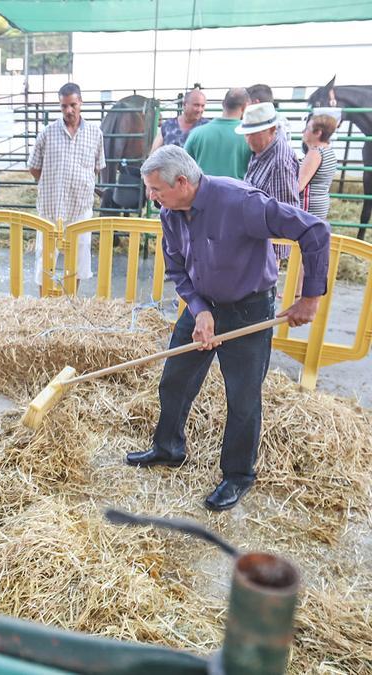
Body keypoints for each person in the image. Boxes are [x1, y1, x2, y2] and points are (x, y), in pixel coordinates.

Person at [129, 146, 330, 511]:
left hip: (248, 309)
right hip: (204, 304)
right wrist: (199, 309)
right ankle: (168, 448)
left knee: (242, 396)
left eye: (156, 189)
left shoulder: (241, 202)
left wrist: (311, 296)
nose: (151, 196)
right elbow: (176, 267)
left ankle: (238, 475)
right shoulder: (170, 213)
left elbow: (314, 230)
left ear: (182, 182)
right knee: (175, 380)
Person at [28, 82, 104, 284]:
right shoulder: (47, 133)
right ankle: (44, 304)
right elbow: (34, 167)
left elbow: (97, 167)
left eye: (73, 105)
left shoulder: (95, 134)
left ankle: (73, 302)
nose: (69, 110)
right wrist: (51, 181)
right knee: (45, 256)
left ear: (80, 102)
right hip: (51, 206)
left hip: (80, 206)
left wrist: (80, 182)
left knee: (79, 257)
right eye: (64, 106)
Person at [239, 102, 300, 263]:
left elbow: (286, 209)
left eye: (253, 133)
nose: (248, 139)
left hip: (266, 247)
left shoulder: (280, 162)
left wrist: (273, 256)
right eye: (246, 134)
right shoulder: (262, 150)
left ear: (272, 130)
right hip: (255, 239)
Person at [184, 88, 252, 179]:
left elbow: (183, 167)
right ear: (245, 107)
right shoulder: (250, 134)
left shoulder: (196, 134)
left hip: (203, 191)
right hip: (237, 191)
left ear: (223, 104)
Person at [299, 113, 339, 222]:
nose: (303, 131)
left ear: (318, 133)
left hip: (308, 208)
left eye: (307, 128)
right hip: (320, 205)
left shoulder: (315, 153)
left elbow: (299, 186)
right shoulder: (328, 151)